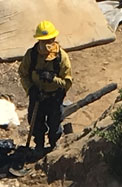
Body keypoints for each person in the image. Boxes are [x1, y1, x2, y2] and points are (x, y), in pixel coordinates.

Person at [18, 20, 73, 151]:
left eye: (49, 40)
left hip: (54, 98)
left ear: (54, 39)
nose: (45, 45)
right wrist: (30, 89)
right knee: (36, 123)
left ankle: (53, 145)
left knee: (54, 124)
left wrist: (53, 79)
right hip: (37, 96)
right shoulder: (31, 55)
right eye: (43, 41)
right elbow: (23, 74)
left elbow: (67, 83)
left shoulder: (61, 58)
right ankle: (39, 146)